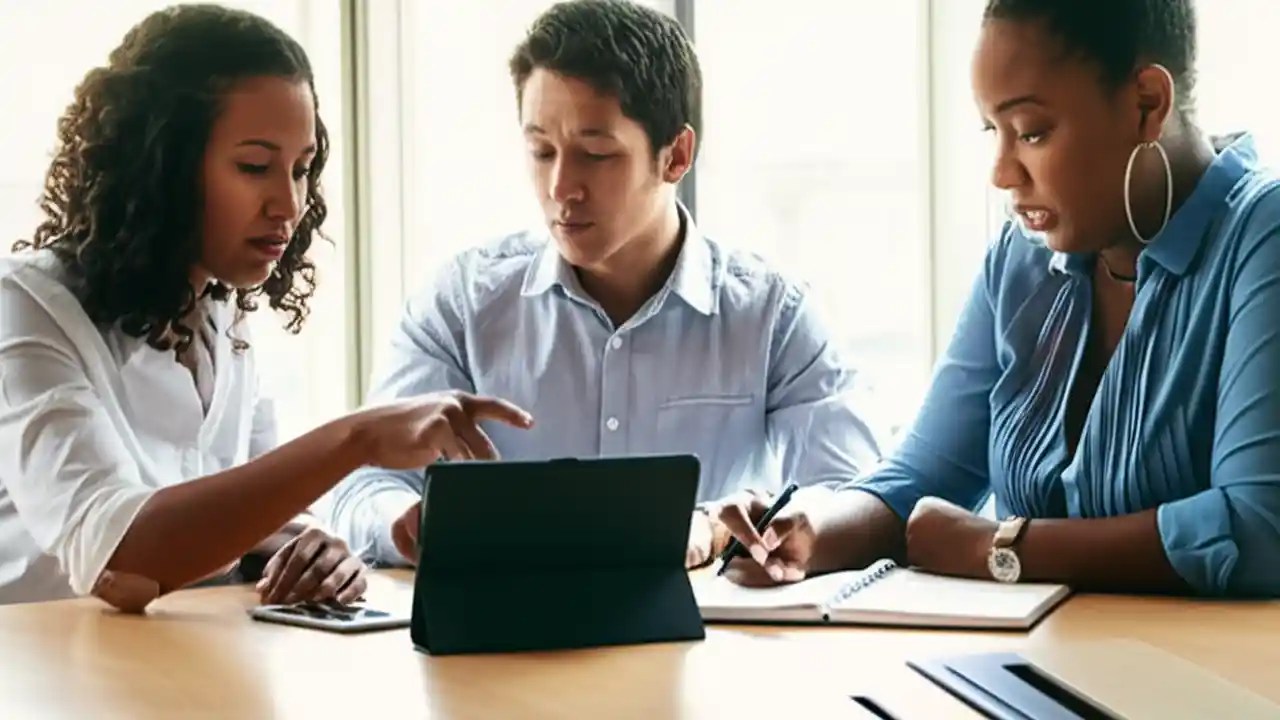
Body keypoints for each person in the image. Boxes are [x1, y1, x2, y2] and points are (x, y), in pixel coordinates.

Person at [717, 0, 1280, 597]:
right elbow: (922, 480)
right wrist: (807, 530)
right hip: (1029, 672)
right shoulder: (1024, 257)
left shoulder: (1260, 234)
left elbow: (1259, 528)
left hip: (1201, 681)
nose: (1003, 172)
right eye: (994, 132)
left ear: (1147, 103)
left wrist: (999, 547)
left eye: (1032, 132)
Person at [0, 4, 530, 609]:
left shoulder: (223, 314)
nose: (289, 202)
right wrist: (358, 437)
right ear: (161, 166)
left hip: (168, 677)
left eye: (302, 169)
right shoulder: (23, 307)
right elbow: (120, 557)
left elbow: (253, 516)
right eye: (254, 166)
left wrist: (315, 546)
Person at [323, 0, 882, 570]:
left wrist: (735, 526)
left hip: (707, 645)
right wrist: (407, 522)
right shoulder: (462, 305)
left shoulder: (773, 315)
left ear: (676, 155)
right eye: (541, 150)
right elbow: (365, 485)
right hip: (500, 642)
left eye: (596, 155)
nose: (561, 187)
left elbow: (854, 491)